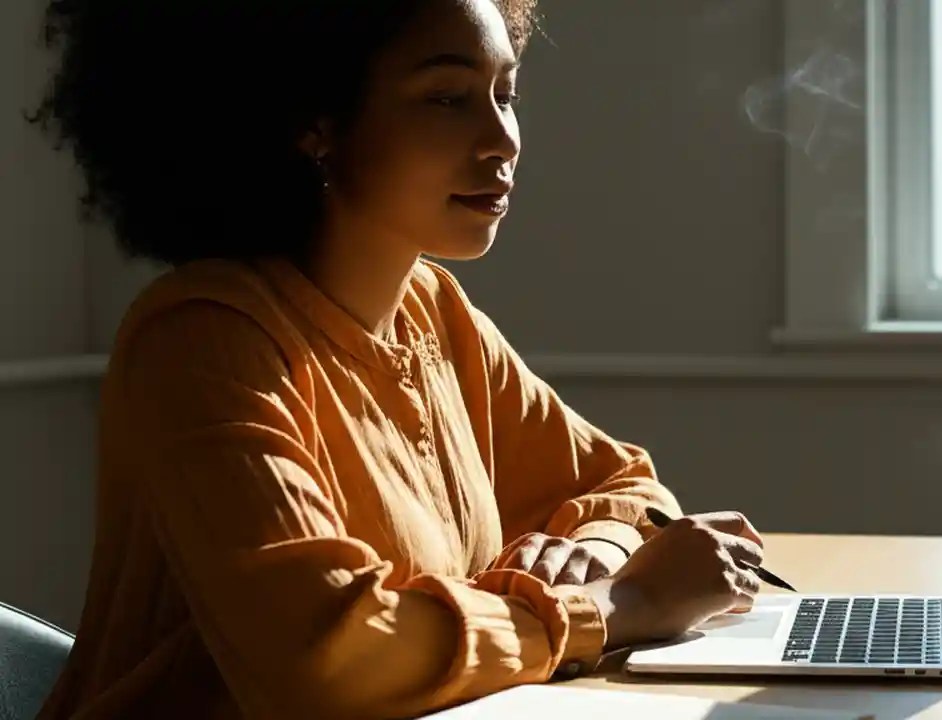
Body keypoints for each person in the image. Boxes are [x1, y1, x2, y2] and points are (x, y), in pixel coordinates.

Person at [30, 1, 767, 717]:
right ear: (311, 120)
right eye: (448, 98)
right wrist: (620, 604)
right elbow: (328, 653)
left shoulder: (432, 309)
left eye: (505, 93)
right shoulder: (202, 340)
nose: (503, 139)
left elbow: (626, 485)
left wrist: (595, 550)